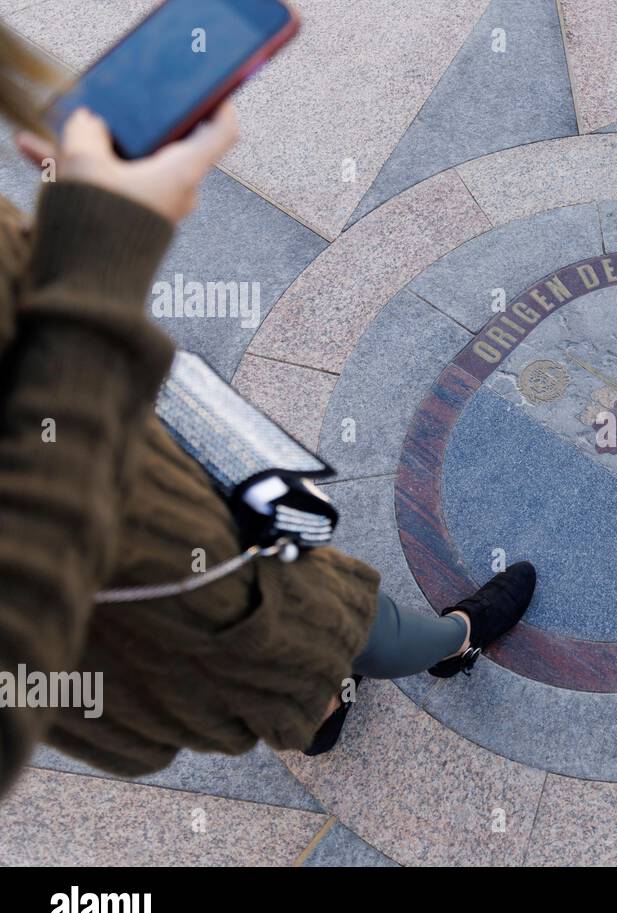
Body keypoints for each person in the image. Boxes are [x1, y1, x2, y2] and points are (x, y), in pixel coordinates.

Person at [0, 25, 534, 795]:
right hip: (146, 596)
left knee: (288, 651)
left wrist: (72, 230)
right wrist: (100, 254)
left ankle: (316, 715)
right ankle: (456, 642)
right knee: (342, 627)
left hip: (155, 525)